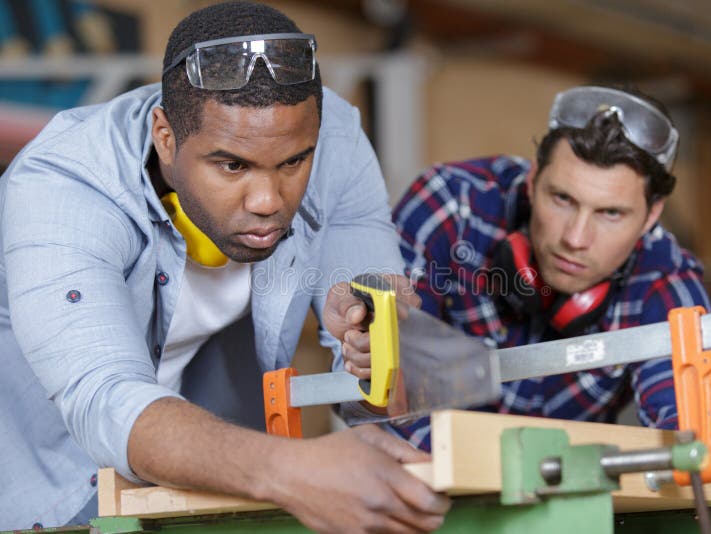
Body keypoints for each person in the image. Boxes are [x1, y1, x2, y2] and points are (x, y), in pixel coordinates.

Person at [0, 2, 449, 531]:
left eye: (292, 163)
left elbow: (376, 365)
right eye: (232, 164)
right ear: (165, 137)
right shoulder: (63, 186)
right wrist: (292, 470)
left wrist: (372, 356)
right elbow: (106, 401)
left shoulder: (335, 140)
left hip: (208, 475)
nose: (267, 200)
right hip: (39, 481)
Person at [341, 85, 711, 451]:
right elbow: (375, 382)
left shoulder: (663, 277)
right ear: (532, 181)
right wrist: (467, 477)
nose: (576, 238)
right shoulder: (453, 208)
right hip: (427, 483)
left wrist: (691, 446)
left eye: (610, 213)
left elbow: (694, 433)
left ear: (651, 216)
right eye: (562, 198)